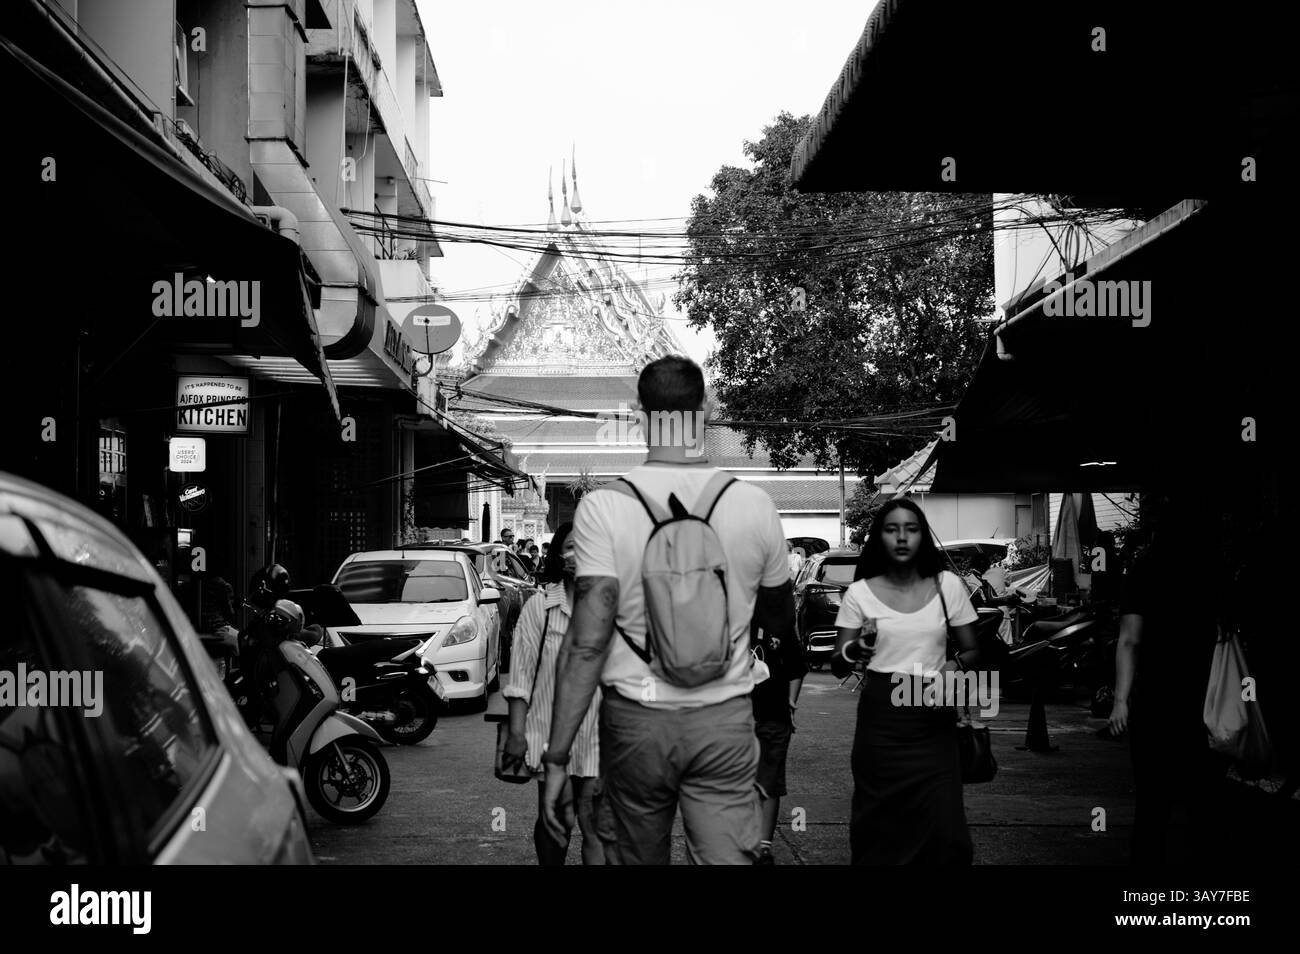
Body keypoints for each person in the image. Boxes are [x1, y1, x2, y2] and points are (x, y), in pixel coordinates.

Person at [542, 354, 795, 864]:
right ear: (704, 413)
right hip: (723, 718)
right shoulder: (754, 505)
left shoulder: (604, 508)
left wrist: (556, 758)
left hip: (637, 722)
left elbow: (588, 642)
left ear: (638, 415)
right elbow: (780, 622)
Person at [832, 499, 981, 865]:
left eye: (911, 529)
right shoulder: (860, 593)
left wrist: (955, 665)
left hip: (934, 722)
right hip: (881, 723)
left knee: (948, 837)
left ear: (922, 536)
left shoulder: (948, 586)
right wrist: (858, 648)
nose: (902, 537)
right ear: (879, 537)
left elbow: (976, 650)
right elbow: (837, 664)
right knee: (879, 835)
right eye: (891, 529)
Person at [1108, 491, 1225, 864]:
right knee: (1205, 806)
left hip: (1155, 701)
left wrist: (1121, 700)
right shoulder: (1216, 570)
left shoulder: (1146, 568)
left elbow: (1129, 640)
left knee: (1152, 805)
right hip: (1208, 701)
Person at [500, 524, 603, 865]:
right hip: (549, 736)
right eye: (573, 547)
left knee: (597, 827)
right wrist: (516, 733)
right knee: (555, 822)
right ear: (560, 555)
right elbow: (521, 677)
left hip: (601, 738)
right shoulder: (538, 609)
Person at [750, 613, 807, 864]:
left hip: (772, 713)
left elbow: (796, 667)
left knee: (769, 780)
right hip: (732, 714)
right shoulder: (722, 615)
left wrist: (791, 703)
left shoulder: (779, 621)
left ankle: (763, 848)